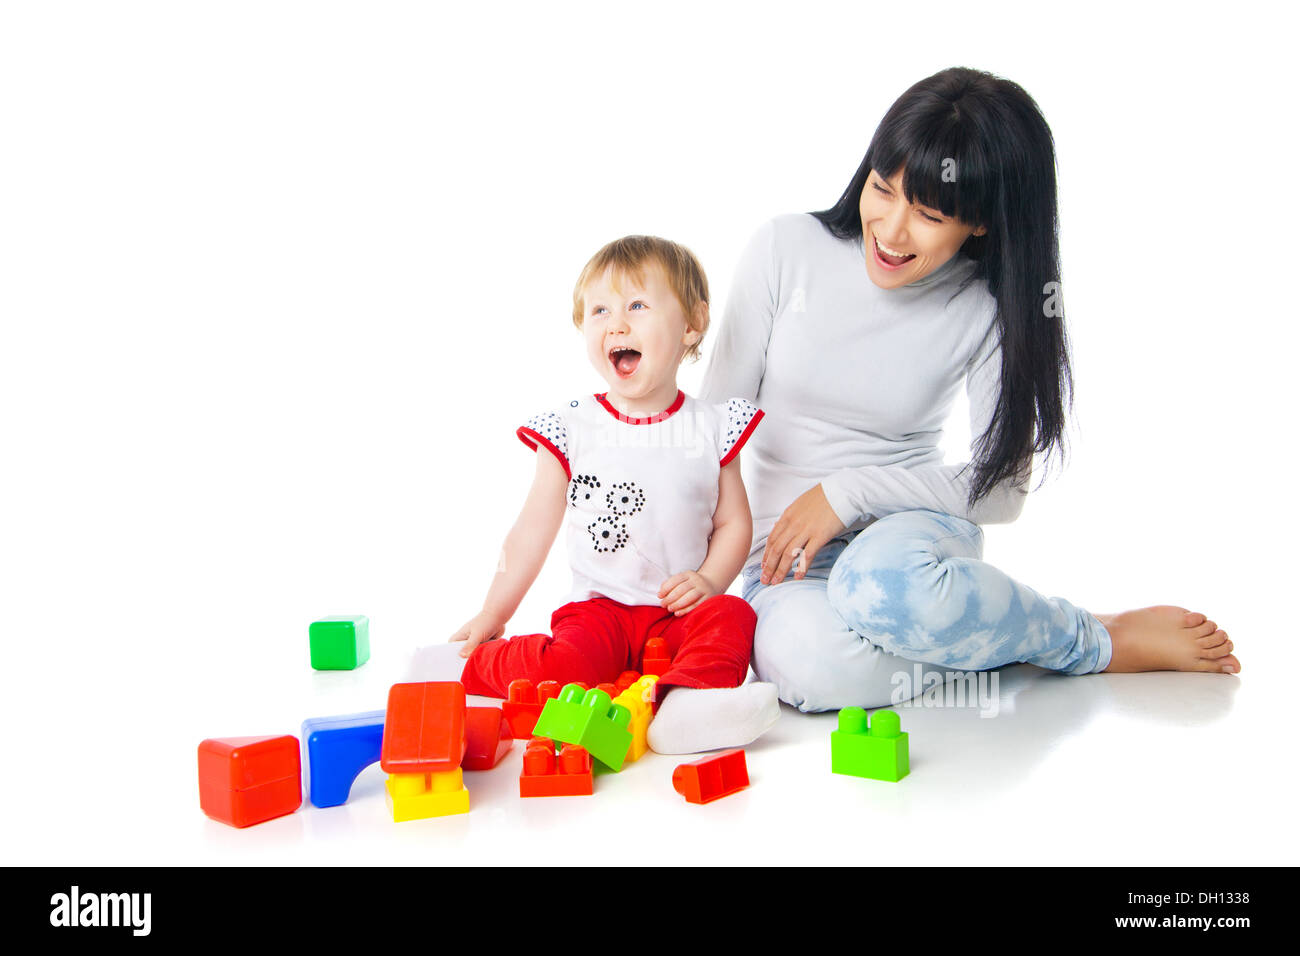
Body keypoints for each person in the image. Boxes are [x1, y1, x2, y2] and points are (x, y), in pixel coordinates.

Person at [699, 66, 1240, 713]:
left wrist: (847, 492)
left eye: (929, 214)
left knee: (888, 589)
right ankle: (997, 639)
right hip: (781, 561)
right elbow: (712, 433)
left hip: (904, 546)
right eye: (882, 188)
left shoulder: (985, 308)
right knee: (816, 673)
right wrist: (690, 583)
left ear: (982, 222)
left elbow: (1004, 489)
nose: (892, 230)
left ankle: (1090, 637)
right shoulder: (785, 248)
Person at [438, 235, 781, 753]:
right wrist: (492, 613)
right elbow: (532, 530)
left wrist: (710, 580)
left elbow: (733, 523)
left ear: (692, 323)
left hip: (677, 614)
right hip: (599, 611)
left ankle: (685, 705)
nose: (616, 324)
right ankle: (471, 666)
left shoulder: (711, 426)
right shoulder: (573, 428)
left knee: (735, 616)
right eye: (599, 310)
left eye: (637, 306)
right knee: (568, 666)